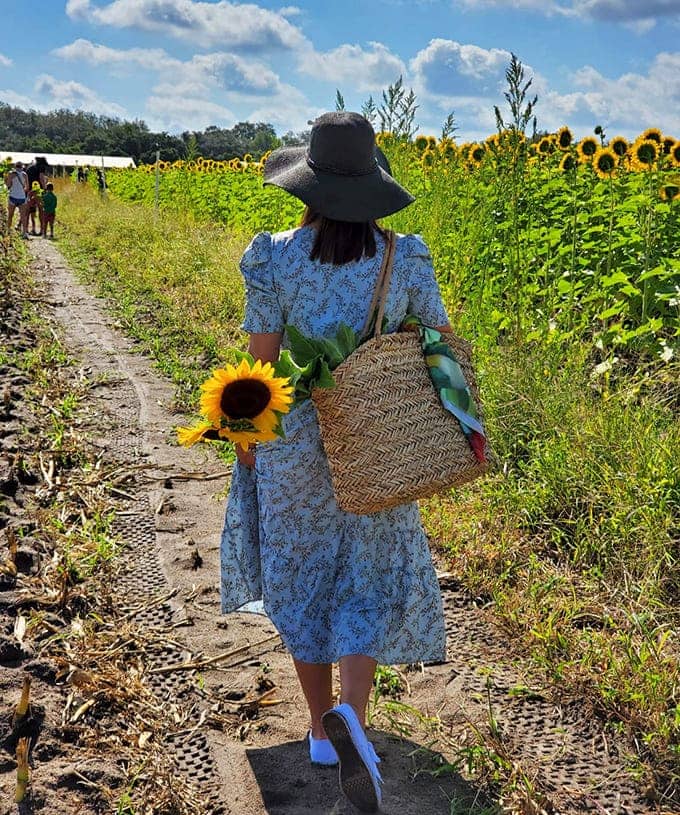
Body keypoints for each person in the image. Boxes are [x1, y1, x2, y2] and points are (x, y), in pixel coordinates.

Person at [220, 112, 451, 813]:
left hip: (296, 445)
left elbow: (259, 364)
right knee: (365, 577)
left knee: (305, 579)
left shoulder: (274, 256)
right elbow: (440, 346)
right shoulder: (405, 257)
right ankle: (354, 712)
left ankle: (321, 731)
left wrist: (243, 439)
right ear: (373, 186)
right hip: (377, 447)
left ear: (308, 186)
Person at [5, 162, 29, 238]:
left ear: (15, 167)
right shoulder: (25, 174)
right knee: (23, 217)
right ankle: (24, 233)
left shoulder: (11, 174)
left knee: (10, 215)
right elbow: (27, 187)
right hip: (22, 197)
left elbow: (8, 185)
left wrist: (8, 181)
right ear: (22, 167)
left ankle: (8, 231)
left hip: (13, 196)